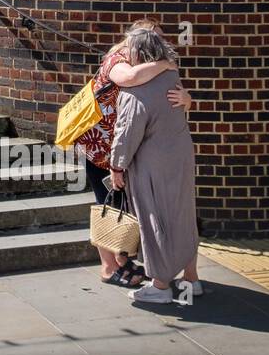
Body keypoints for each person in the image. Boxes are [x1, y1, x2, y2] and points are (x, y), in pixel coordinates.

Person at [73, 19, 190, 287]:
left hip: (126, 146)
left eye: (162, 39)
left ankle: (123, 261)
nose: (161, 44)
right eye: (155, 39)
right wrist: (165, 64)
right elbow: (128, 79)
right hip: (101, 145)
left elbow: (172, 98)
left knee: (122, 206)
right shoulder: (118, 59)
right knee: (108, 205)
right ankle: (108, 268)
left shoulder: (147, 64)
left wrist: (188, 99)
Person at [109, 27, 201, 304]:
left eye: (129, 49)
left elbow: (127, 134)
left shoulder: (136, 91)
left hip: (152, 165)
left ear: (138, 53)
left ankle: (160, 286)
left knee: (154, 220)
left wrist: (116, 166)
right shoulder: (172, 77)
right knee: (183, 215)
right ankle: (191, 280)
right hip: (181, 157)